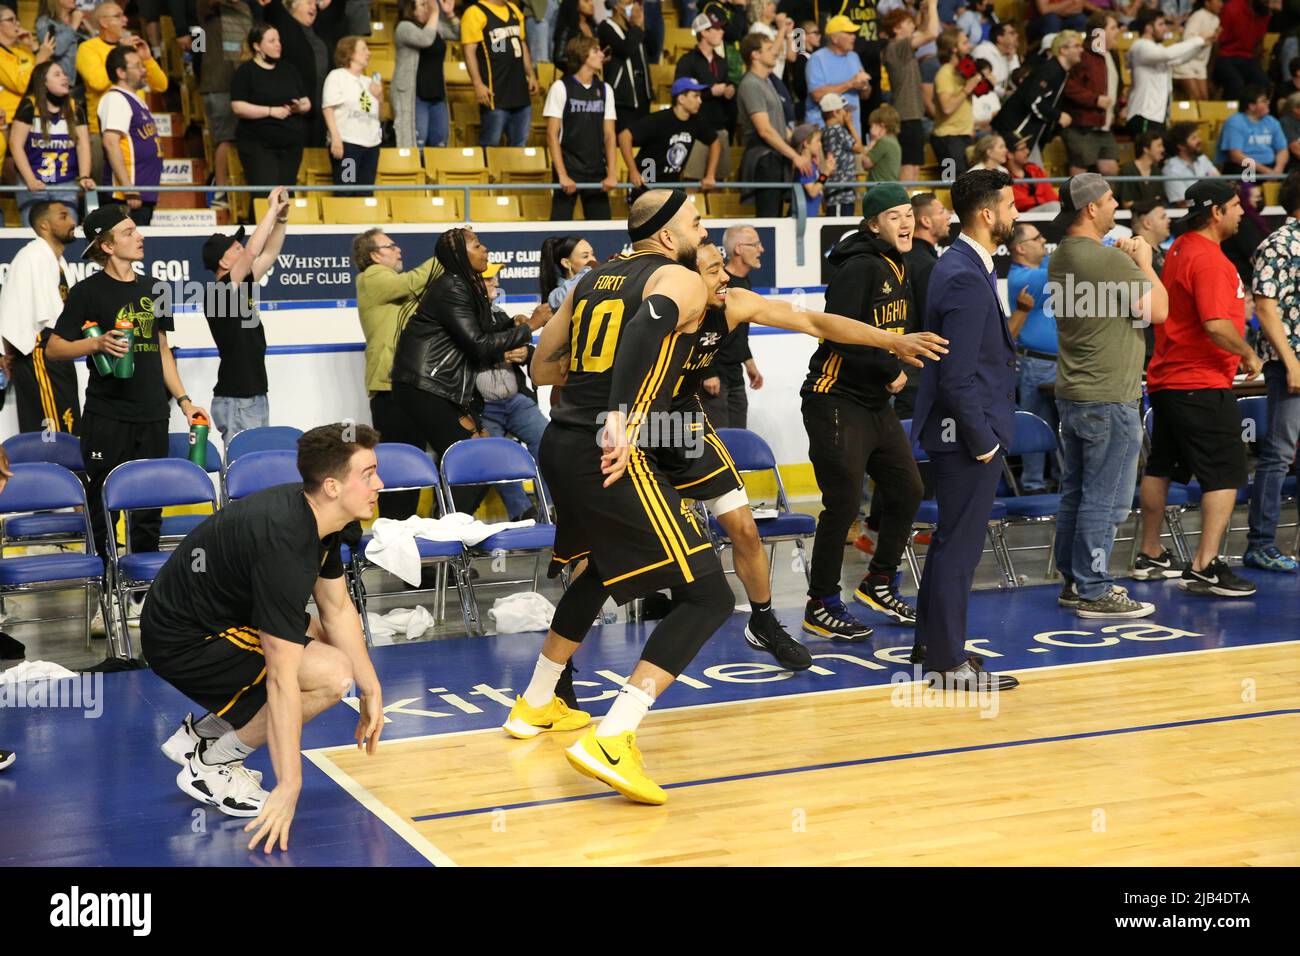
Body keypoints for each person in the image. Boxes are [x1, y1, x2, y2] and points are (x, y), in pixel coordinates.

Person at [511, 189, 729, 805]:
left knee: (603, 570)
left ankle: (535, 702)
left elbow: (543, 366)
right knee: (708, 594)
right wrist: (625, 412)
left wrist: (598, 390)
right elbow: (648, 324)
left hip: (562, 441)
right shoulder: (677, 279)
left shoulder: (590, 280)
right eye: (694, 223)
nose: (701, 230)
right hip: (608, 449)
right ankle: (614, 736)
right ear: (665, 236)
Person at [142, 424, 385, 847]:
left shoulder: (323, 519)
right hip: (182, 639)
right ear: (331, 486)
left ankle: (203, 736)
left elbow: (336, 607)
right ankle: (214, 765)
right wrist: (290, 784)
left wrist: (373, 689)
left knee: (316, 635)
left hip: (211, 618)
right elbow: (280, 679)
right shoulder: (285, 541)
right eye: (367, 474)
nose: (379, 484)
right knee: (330, 675)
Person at [43, 204, 207, 563]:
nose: (140, 236)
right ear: (107, 246)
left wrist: (184, 400)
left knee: (149, 507)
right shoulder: (87, 292)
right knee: (103, 505)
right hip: (107, 418)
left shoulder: (156, 288)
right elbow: (53, 348)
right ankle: (104, 587)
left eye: (137, 230)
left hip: (152, 415)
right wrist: (95, 344)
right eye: (129, 232)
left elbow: (163, 350)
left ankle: (137, 593)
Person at [910, 168, 1021, 691]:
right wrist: (983, 440)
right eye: (1011, 205)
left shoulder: (960, 264)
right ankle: (946, 663)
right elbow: (957, 377)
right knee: (959, 547)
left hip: (959, 431)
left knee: (949, 542)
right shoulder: (961, 273)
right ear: (987, 213)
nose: (1016, 214)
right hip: (967, 436)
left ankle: (932, 648)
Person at [801, 183, 927, 638]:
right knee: (843, 504)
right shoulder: (857, 268)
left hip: (873, 401)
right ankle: (821, 602)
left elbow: (895, 327)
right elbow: (839, 334)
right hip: (834, 397)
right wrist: (887, 365)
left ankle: (878, 582)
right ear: (874, 224)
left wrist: (899, 360)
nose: (906, 221)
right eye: (895, 216)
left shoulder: (899, 263)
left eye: (909, 213)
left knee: (908, 488)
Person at [1048, 174, 1168, 618]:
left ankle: (1073, 581)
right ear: (1091, 208)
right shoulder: (1107, 261)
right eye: (1110, 198)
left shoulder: (1063, 255)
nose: (1116, 205)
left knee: (1076, 493)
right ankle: (1094, 589)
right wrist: (1145, 262)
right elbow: (1159, 310)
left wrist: (1128, 265)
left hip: (1076, 391)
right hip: (1110, 395)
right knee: (1107, 499)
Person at [1135, 179, 1260, 596]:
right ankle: (1204, 565)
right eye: (1235, 205)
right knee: (1225, 470)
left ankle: (1151, 552)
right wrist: (1248, 353)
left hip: (1168, 379)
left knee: (1162, 466)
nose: (1242, 211)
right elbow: (1214, 324)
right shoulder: (1207, 259)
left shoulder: (1179, 248)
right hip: (1200, 382)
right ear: (1216, 213)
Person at [391, 227, 543, 509]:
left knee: (479, 459)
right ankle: (450, 534)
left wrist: (511, 325)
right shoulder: (453, 286)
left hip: (436, 387)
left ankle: (452, 531)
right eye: (476, 245)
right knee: (472, 460)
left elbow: (480, 329)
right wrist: (531, 326)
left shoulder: (461, 284)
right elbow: (479, 344)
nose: (484, 249)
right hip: (424, 386)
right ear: (459, 254)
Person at [354, 228, 441, 520]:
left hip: (411, 384)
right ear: (374, 255)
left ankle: (414, 536)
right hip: (390, 388)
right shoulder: (373, 276)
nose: (398, 250)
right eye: (390, 246)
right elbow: (414, 280)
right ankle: (393, 537)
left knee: (413, 464)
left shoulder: (395, 287)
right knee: (399, 468)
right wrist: (445, 254)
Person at [201, 188, 290, 447]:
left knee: (254, 469)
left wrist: (281, 219)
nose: (241, 248)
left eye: (239, 244)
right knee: (242, 470)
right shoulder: (218, 292)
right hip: (238, 399)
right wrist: (271, 210)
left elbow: (269, 253)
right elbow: (253, 252)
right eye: (234, 247)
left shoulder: (240, 286)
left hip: (252, 394)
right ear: (224, 263)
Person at [1244, 171, 1300, 572]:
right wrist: (1291, 361)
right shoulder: (1279, 243)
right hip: (1291, 363)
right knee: (1278, 454)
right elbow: (1265, 307)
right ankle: (1260, 542)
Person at [478, 262, 552, 521]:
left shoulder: (498, 313)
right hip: (482, 407)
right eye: (488, 279)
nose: (494, 283)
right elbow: (473, 350)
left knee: (547, 440)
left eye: (494, 279)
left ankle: (551, 508)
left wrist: (524, 353)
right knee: (497, 455)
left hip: (514, 400)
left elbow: (522, 348)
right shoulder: (461, 317)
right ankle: (523, 513)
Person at [0, 200, 81, 435]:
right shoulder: (33, 256)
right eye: (63, 216)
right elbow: (37, 316)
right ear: (44, 225)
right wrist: (6, 353)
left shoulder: (58, 261)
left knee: (68, 425)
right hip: (39, 353)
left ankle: (70, 472)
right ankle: (54, 471)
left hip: (54, 352)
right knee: (52, 433)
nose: (72, 222)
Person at [77, 2, 166, 181]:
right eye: (118, 16)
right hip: (104, 133)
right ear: (103, 22)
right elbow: (97, 82)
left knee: (137, 191)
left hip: (137, 133)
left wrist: (147, 58)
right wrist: (121, 52)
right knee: (107, 194)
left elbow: (161, 85)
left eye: (123, 15)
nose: (125, 20)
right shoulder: (88, 48)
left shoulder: (133, 50)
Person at [230, 23, 311, 201]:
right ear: (257, 46)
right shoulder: (246, 71)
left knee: (285, 196)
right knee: (265, 196)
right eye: (272, 41)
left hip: (290, 145)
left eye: (279, 40)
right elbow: (238, 106)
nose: (278, 44)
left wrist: (299, 107)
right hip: (258, 144)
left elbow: (306, 103)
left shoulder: (289, 69)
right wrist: (270, 111)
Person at [8, 62, 94, 224]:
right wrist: (30, 180)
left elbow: (83, 145)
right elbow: (15, 144)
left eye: (64, 74)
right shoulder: (29, 106)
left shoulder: (75, 108)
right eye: (57, 75)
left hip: (65, 184)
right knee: (33, 236)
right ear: (43, 83)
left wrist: (84, 176)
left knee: (67, 236)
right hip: (33, 185)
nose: (64, 78)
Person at [1005, 222, 1057, 492]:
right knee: (1036, 425)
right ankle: (1032, 484)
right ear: (1021, 248)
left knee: (1059, 428)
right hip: (1036, 363)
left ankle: (1059, 480)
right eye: (1038, 238)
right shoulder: (1021, 279)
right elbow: (1063, 268)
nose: (1044, 240)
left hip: (1057, 363)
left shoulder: (1041, 268)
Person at [738, 33, 812, 216]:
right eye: (769, 48)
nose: (775, 52)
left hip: (776, 156)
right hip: (765, 157)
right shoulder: (751, 84)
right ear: (755, 55)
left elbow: (780, 129)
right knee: (769, 218)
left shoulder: (768, 82)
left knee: (777, 218)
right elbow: (764, 130)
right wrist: (795, 156)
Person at [544, 35, 617, 221]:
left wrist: (612, 173)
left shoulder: (605, 89)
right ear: (583, 55)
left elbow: (610, 134)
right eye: (596, 51)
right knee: (559, 234)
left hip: (597, 170)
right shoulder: (561, 87)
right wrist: (562, 175)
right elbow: (552, 134)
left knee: (603, 233)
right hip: (568, 169)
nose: (602, 55)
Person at [699, 224, 763, 427]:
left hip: (736, 376)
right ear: (739, 249)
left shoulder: (745, 282)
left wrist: (749, 362)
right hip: (715, 379)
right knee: (719, 445)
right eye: (755, 244)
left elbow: (738, 333)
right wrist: (708, 373)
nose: (761, 249)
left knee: (738, 443)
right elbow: (701, 329)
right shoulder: (717, 285)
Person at [196, 0, 254, 210]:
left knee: (230, 138)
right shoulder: (208, 14)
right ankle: (220, 191)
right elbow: (196, 49)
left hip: (225, 86)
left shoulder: (244, 12)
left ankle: (227, 189)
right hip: (219, 87)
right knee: (226, 138)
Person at [621, 77, 721, 194]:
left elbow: (715, 142)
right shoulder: (659, 119)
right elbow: (624, 136)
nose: (700, 101)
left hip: (672, 184)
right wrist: (633, 171)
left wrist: (710, 175)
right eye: (695, 96)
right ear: (681, 99)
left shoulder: (697, 121)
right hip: (646, 183)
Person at [98, 46, 162, 226]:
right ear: (121, 72)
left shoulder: (134, 98)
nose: (143, 70)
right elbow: (111, 143)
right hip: (126, 197)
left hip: (140, 194)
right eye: (137, 66)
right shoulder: (116, 99)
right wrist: (128, 188)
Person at [993, 30, 1081, 160]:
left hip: (1027, 134)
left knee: (1034, 175)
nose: (1081, 50)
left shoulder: (1061, 72)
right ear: (1063, 50)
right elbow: (1033, 100)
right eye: (1076, 46)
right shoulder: (1051, 70)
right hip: (1014, 131)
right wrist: (1058, 116)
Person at [462, 0, 539, 148]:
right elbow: (469, 52)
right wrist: (478, 84)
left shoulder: (514, 10)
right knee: (490, 145)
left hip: (520, 93)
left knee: (519, 145)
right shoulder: (475, 12)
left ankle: (515, 172)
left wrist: (531, 75)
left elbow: (520, 44)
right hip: (495, 93)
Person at [880, 0, 939, 183]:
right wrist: (933, 6)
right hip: (905, 116)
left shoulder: (901, 48)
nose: (912, 25)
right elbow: (931, 33)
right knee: (908, 170)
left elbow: (921, 30)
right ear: (897, 29)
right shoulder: (897, 46)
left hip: (912, 115)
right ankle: (905, 208)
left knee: (914, 169)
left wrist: (925, 12)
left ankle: (910, 208)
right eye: (908, 23)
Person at [256, 0, 329, 148]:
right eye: (308, 2)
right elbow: (274, 9)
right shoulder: (285, 29)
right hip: (294, 115)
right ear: (293, 6)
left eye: (314, 3)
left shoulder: (319, 34)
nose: (313, 6)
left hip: (320, 116)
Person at [1125, 8, 1207, 138]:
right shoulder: (1140, 46)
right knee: (1147, 156)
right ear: (1148, 28)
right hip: (1144, 115)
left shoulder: (1157, 49)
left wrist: (1203, 45)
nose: (1165, 29)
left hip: (1158, 116)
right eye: (1161, 24)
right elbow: (1168, 54)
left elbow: (1180, 59)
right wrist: (1198, 40)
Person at [675, 13, 735, 184]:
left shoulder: (722, 62)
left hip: (719, 127)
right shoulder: (687, 61)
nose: (721, 32)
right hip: (695, 128)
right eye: (716, 28)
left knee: (720, 181)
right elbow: (679, 92)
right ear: (704, 32)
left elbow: (726, 85)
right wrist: (711, 92)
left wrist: (730, 89)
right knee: (692, 181)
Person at [393, 0, 458, 149]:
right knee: (417, 144)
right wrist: (435, 13)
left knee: (440, 143)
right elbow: (425, 39)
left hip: (437, 94)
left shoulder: (434, 25)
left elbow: (459, 34)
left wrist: (449, 14)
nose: (427, 7)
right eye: (422, 4)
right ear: (411, 9)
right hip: (414, 95)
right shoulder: (404, 27)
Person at [1062, 13, 1121, 177]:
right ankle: (1076, 203)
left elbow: (1115, 86)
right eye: (1113, 28)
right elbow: (1069, 86)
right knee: (1080, 171)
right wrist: (1095, 100)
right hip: (1082, 125)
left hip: (1105, 124)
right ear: (1099, 33)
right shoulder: (1082, 55)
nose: (1118, 31)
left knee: (1111, 170)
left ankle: (1106, 203)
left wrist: (1120, 106)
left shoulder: (1113, 55)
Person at [322, 36, 382, 194]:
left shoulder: (369, 81)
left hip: (371, 145)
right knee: (346, 191)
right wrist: (335, 138)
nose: (368, 53)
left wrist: (380, 96)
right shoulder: (337, 76)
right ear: (350, 53)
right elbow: (328, 108)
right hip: (348, 144)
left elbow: (376, 113)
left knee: (365, 193)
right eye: (364, 49)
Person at [0, 5, 55, 163]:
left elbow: (47, 76)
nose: (17, 23)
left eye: (17, 19)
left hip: (33, 118)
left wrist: (35, 48)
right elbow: (22, 85)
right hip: (9, 123)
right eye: (11, 20)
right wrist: (41, 57)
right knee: (12, 175)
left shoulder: (22, 51)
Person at [806, 15, 870, 141]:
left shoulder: (854, 57)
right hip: (824, 132)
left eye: (853, 33)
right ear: (834, 38)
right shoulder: (817, 59)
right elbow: (817, 95)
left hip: (852, 132)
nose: (854, 37)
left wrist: (864, 86)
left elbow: (865, 95)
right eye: (848, 33)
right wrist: (850, 84)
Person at [932, 26, 980, 175]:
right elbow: (947, 107)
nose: (969, 47)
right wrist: (967, 88)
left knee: (968, 184)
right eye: (965, 43)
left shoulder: (961, 72)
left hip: (964, 137)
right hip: (948, 139)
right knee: (953, 184)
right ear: (953, 48)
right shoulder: (945, 73)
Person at [599, 0, 652, 135]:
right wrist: (637, 28)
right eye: (628, 2)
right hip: (623, 98)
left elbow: (653, 49)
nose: (633, 6)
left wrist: (641, 26)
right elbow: (624, 49)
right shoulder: (606, 27)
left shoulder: (634, 28)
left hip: (642, 94)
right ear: (617, 6)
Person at [1214, 0, 1278, 102]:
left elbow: (1259, 40)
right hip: (1226, 55)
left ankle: (1255, 114)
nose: (1267, 4)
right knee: (1236, 84)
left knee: (1264, 84)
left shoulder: (1265, 12)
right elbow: (1218, 40)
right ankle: (1231, 113)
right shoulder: (1232, 8)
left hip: (1248, 57)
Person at [1215, 87, 1287, 177]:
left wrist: (1278, 169)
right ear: (1252, 106)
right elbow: (1235, 155)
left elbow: (1282, 149)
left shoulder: (1271, 121)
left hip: (1271, 167)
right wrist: (1267, 172)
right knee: (1244, 172)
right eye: (1263, 101)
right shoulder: (1235, 121)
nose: (1268, 103)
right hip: (1246, 166)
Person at [35, 0, 93, 104]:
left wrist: (90, 31)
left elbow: (93, 47)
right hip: (63, 86)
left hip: (86, 85)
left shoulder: (78, 19)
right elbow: (56, 49)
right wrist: (73, 26)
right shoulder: (45, 22)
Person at [1173, 0, 1222, 101]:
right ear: (1207, 3)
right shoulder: (1198, 16)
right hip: (1186, 62)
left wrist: (1212, 39)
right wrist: (1206, 39)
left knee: (1204, 98)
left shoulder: (1216, 19)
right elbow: (1187, 39)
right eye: (1217, 1)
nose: (1220, 4)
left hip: (1200, 64)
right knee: (1195, 97)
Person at [819, 92, 860, 214]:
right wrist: (851, 125)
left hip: (838, 192)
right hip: (841, 195)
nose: (848, 115)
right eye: (845, 111)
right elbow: (858, 148)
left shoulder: (826, 130)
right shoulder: (837, 130)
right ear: (835, 112)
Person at [1162, 121, 1219, 205]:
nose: (1199, 140)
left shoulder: (1203, 159)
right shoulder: (1171, 170)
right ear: (1181, 145)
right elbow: (1183, 204)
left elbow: (1220, 184)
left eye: (1198, 137)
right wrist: (1210, 201)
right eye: (1194, 138)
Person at [539, 234, 596, 310]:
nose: (593, 260)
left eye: (592, 254)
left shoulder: (595, 284)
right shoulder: (557, 295)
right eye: (585, 256)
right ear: (566, 263)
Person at [1007, 134, 1061, 212]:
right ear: (1009, 155)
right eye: (1022, 149)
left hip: (1043, 209)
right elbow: (1019, 203)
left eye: (1026, 147)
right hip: (1022, 215)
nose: (1027, 151)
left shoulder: (1034, 169)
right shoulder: (1005, 176)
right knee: (1054, 207)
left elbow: (1049, 193)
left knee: (1060, 206)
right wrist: (1039, 199)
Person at [1114, 130, 1166, 208]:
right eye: (1159, 146)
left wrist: (1138, 204)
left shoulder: (1157, 171)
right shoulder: (1128, 170)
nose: (1162, 149)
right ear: (1146, 149)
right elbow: (1127, 204)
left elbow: (1160, 200)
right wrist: (1152, 202)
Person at [973, 20, 1020, 101]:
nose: (1016, 35)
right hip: (982, 99)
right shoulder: (983, 50)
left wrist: (1010, 61)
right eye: (1011, 33)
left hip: (1000, 99)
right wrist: (1003, 93)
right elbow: (983, 82)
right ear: (1000, 38)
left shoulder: (1012, 55)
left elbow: (1016, 81)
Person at [862, 103, 901, 181]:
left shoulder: (884, 142)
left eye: (872, 126)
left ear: (881, 126)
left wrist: (873, 140)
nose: (870, 130)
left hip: (880, 190)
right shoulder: (893, 140)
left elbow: (866, 163)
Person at [550, 0, 596, 65]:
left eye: (592, 1)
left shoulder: (594, 27)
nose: (591, 4)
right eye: (586, 1)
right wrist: (583, 63)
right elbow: (559, 58)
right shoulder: (567, 29)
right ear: (574, 4)